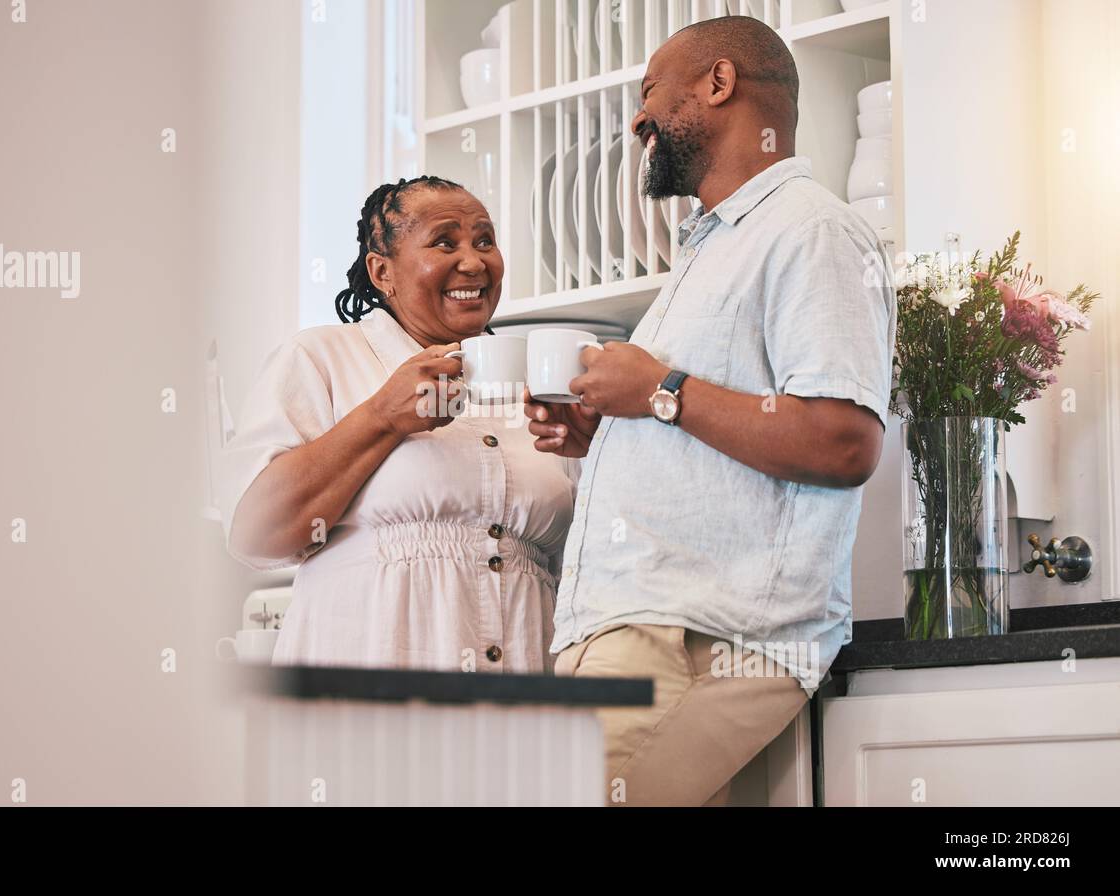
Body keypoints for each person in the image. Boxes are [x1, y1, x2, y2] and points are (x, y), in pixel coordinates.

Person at [525, 16, 896, 806]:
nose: (636, 120)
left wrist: (660, 392)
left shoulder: (813, 231)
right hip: (648, 632)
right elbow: (711, 420)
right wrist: (613, 429)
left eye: (649, 92)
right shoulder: (714, 247)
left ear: (718, 84)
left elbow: (842, 441)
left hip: (698, 637)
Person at [222, 176, 580, 673]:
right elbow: (256, 535)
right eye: (443, 242)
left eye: (484, 241)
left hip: (518, 702)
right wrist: (381, 418)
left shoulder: (536, 395)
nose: (474, 262)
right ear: (382, 271)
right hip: (365, 703)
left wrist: (593, 443)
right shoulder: (322, 358)